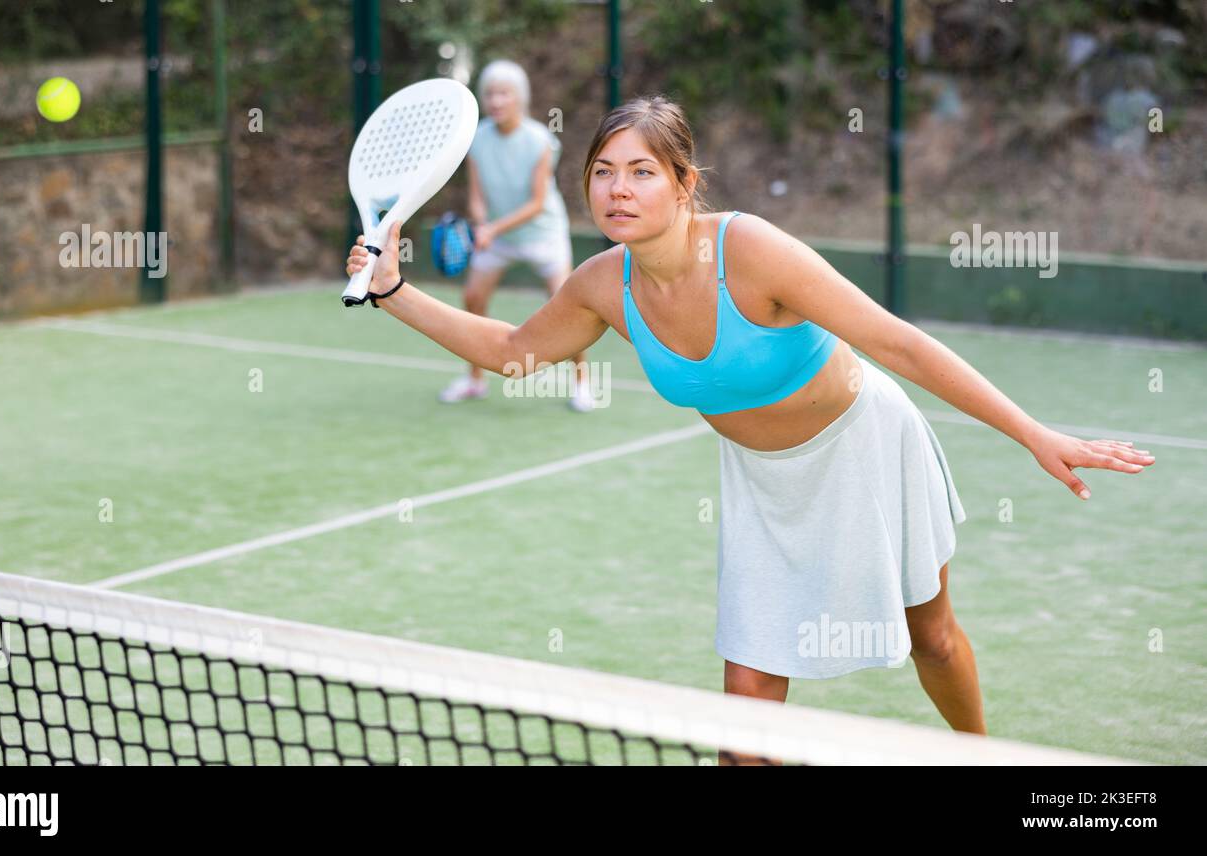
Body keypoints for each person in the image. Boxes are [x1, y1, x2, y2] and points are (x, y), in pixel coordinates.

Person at [347, 95, 1154, 757]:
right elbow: (516, 352)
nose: (618, 190)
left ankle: (982, 757)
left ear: (683, 182)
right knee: (747, 714)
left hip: (865, 448)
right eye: (602, 173)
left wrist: (1033, 433)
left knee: (933, 639)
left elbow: (896, 342)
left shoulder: (751, 251)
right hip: (762, 490)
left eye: (640, 173)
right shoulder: (603, 285)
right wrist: (393, 291)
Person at [438, 59, 595, 412]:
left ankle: (582, 382)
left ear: (519, 98)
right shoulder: (476, 137)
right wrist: (481, 224)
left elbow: (537, 203)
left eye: (504, 94)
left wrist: (492, 228)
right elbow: (477, 195)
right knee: (473, 297)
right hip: (499, 237)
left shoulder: (541, 140)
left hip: (543, 234)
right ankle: (474, 380)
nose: (496, 101)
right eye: (491, 94)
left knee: (568, 307)